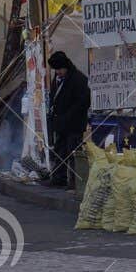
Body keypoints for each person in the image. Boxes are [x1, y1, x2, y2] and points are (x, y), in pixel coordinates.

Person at [46, 51, 90, 189]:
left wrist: (68, 116)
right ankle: (59, 178)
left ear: (66, 66)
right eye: (56, 70)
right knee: (60, 151)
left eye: (59, 69)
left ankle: (74, 182)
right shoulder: (59, 79)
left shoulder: (79, 79)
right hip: (61, 124)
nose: (57, 72)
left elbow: (83, 102)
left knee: (73, 154)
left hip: (74, 124)